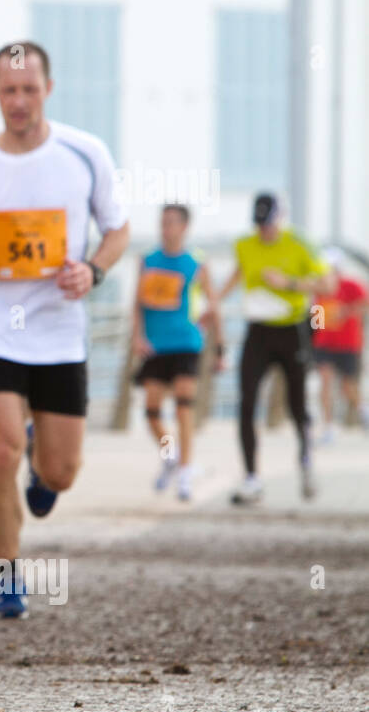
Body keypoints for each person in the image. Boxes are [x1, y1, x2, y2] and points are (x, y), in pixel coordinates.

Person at [0, 41, 129, 618]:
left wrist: (93, 269)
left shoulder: (84, 153)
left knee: (60, 474)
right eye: (9, 89)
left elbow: (118, 229)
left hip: (61, 334)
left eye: (29, 89)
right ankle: (8, 572)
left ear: (48, 89)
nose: (19, 100)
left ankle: (45, 458)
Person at [217, 193, 333, 505]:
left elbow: (327, 285)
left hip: (292, 329)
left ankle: (306, 460)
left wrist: (289, 283)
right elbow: (238, 275)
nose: (263, 231)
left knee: (297, 404)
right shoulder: (244, 245)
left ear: (280, 217)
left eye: (267, 224)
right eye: (259, 225)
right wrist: (214, 301)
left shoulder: (300, 243)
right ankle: (252, 478)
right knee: (247, 401)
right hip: (258, 331)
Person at [131, 204, 218, 501]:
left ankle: (185, 471)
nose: (166, 228)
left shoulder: (196, 263)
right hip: (155, 346)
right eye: (162, 222)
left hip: (185, 343)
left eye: (172, 223)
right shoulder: (147, 260)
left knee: (183, 406)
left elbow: (213, 302)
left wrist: (218, 345)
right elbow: (136, 305)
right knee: (152, 412)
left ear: (184, 227)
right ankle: (170, 455)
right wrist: (137, 337)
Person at [311, 247, 368, 440]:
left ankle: (362, 410)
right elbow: (316, 315)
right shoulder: (318, 287)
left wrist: (345, 311)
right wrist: (317, 325)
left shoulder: (351, 285)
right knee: (325, 381)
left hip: (348, 343)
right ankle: (328, 426)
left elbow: (365, 303)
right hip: (324, 342)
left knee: (347, 386)